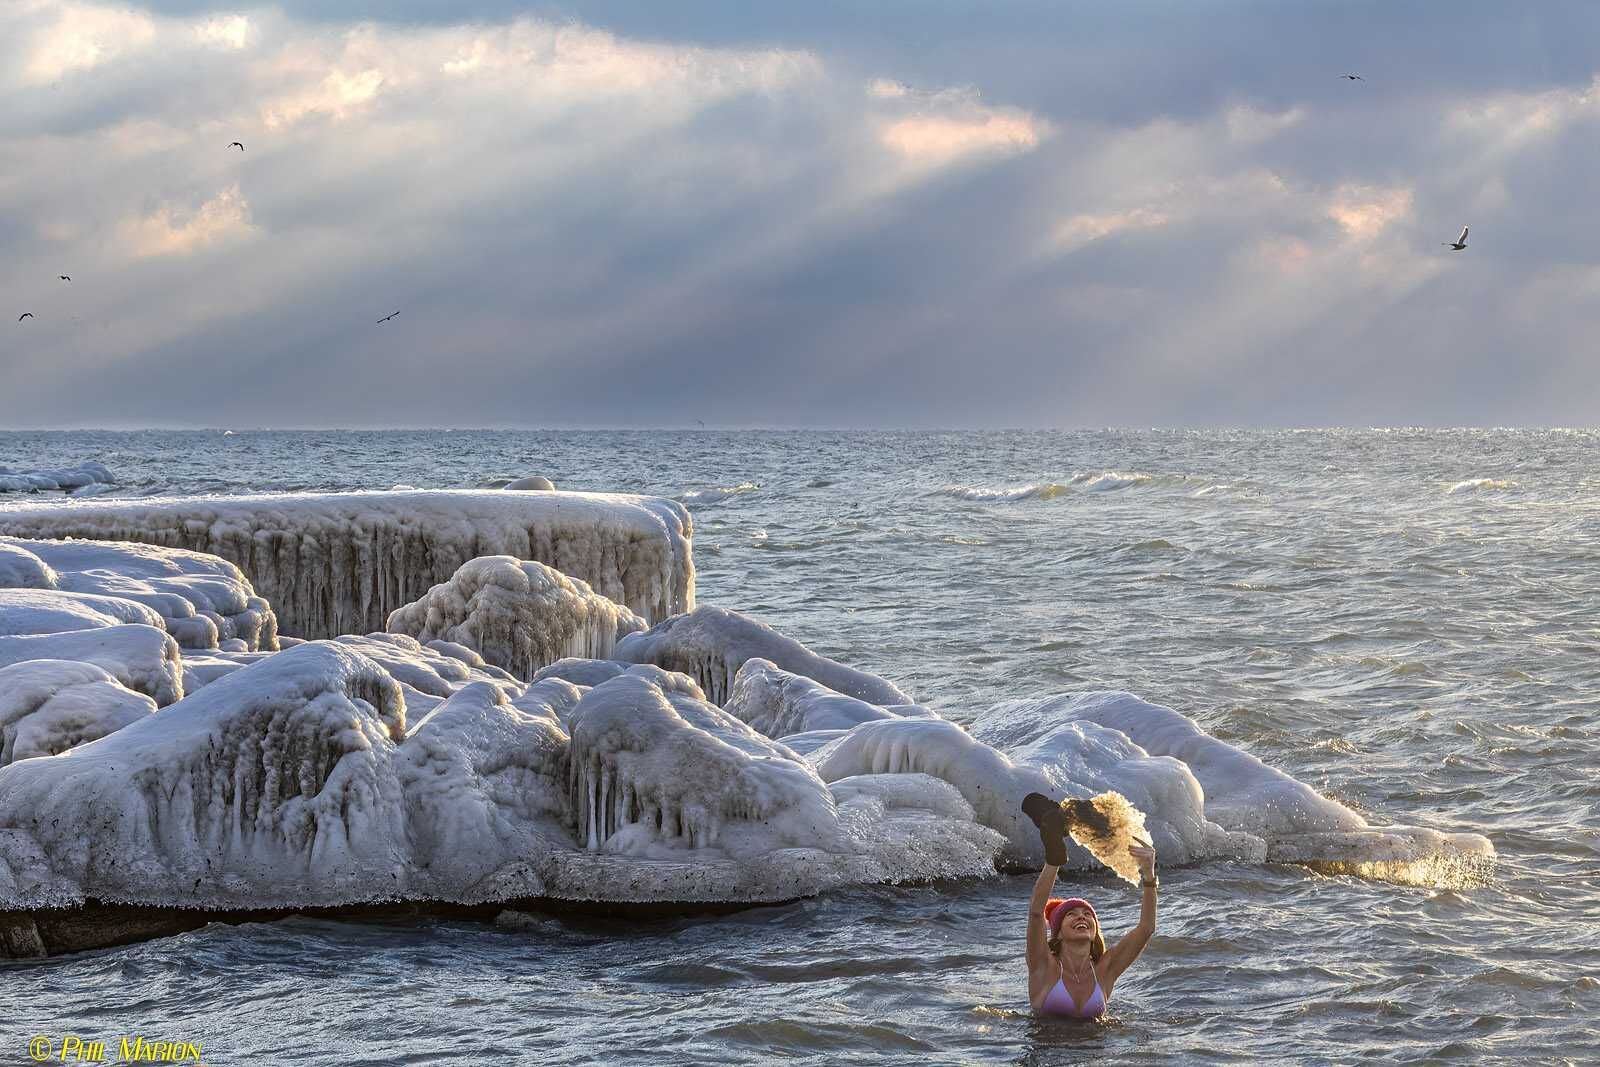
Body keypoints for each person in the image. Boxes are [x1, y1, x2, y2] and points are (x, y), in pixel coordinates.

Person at [1022, 794, 1158, 1019]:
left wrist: (1149, 875)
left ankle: (1055, 820)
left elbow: (1146, 928)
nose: (1081, 917)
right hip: (1046, 1052)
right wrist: (1053, 862)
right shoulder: (1044, 966)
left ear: (1096, 930)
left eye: (1087, 914)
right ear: (1058, 933)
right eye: (1071, 914)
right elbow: (1036, 912)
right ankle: (1054, 838)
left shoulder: (1105, 970)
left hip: (1097, 1053)